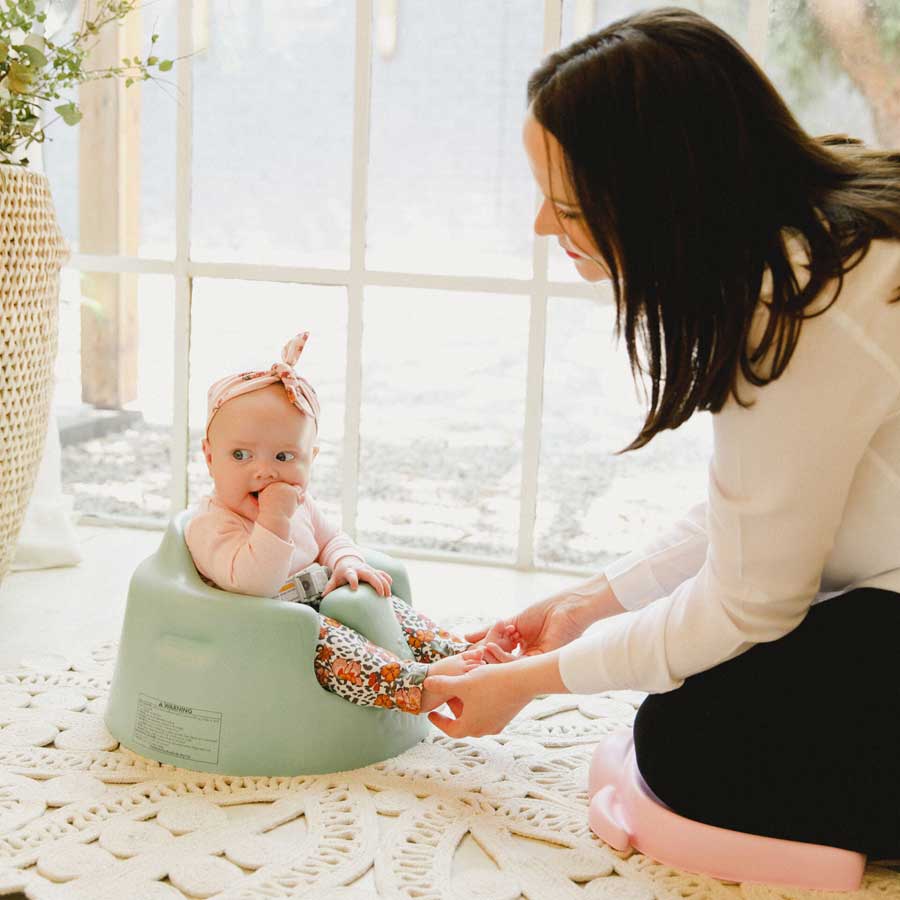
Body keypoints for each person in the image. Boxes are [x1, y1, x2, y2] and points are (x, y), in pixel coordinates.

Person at [424, 7, 900, 858]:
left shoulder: (795, 305)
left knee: (690, 741)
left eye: (565, 206)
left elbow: (750, 600)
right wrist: (589, 603)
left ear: (657, 203)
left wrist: (526, 684)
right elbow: (762, 509)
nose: (542, 227)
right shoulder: (826, 228)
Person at [186, 331, 519, 715]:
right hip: (267, 634)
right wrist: (274, 519)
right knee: (339, 650)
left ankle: (467, 656)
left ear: (310, 458)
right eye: (241, 455)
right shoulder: (212, 525)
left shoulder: (301, 504)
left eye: (283, 456)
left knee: (384, 604)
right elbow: (256, 584)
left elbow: (331, 539)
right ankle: (416, 687)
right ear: (210, 458)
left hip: (319, 609)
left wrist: (346, 562)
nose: (264, 472)